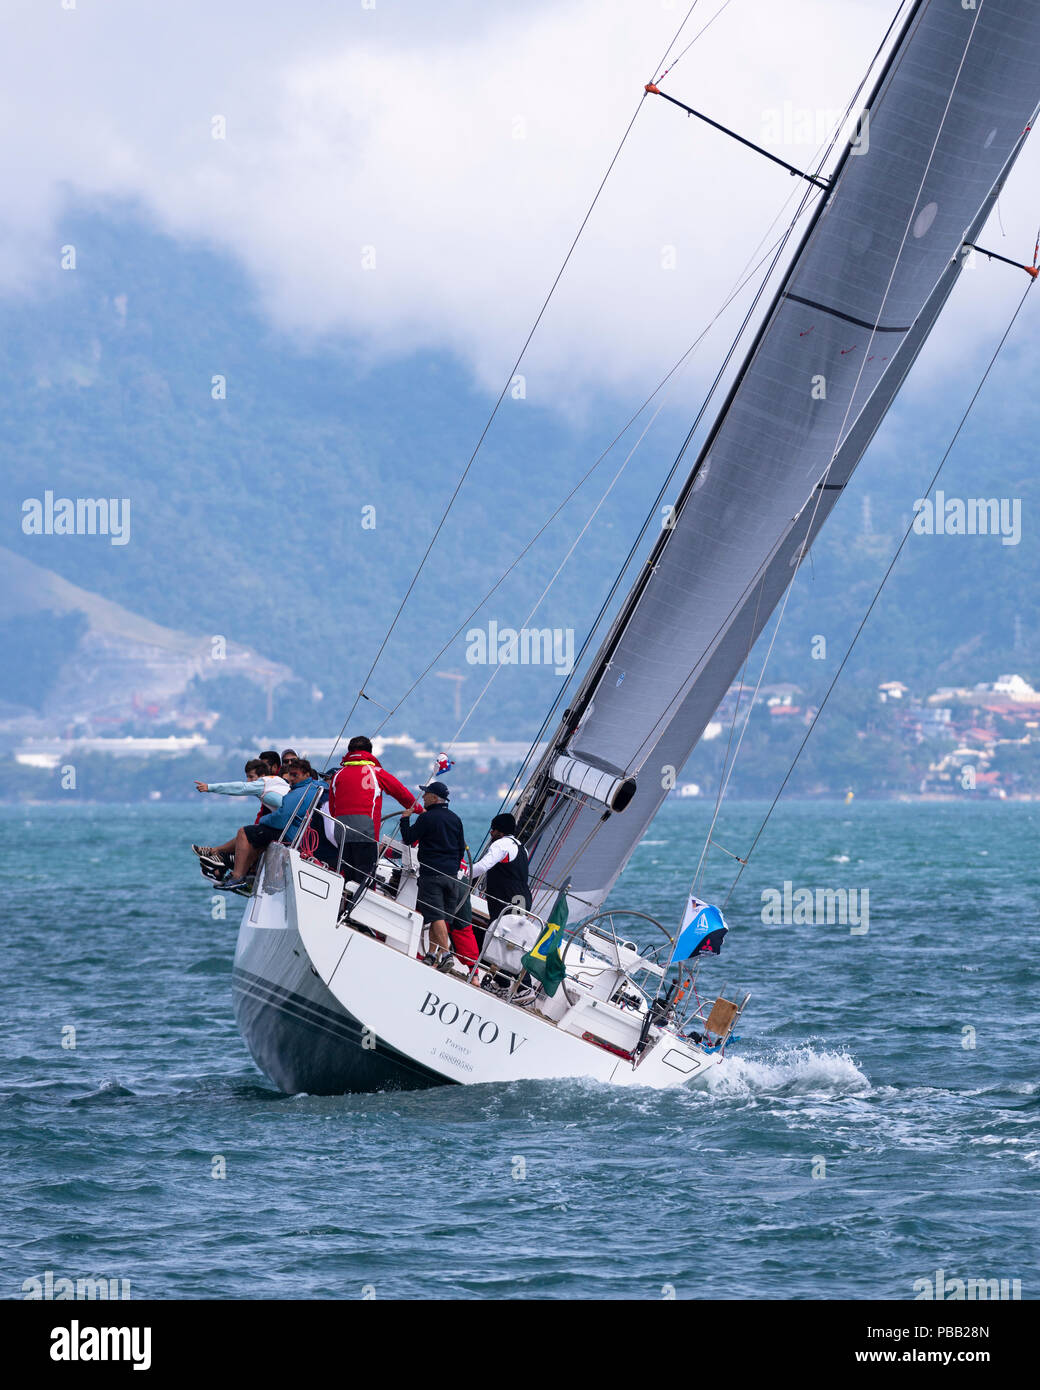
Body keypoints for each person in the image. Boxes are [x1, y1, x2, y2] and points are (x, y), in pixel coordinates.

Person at [217, 759, 323, 891]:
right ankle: (245, 873)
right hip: (305, 835)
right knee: (256, 838)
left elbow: (281, 818)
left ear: (306, 774)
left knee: (244, 833)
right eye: (290, 775)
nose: (291, 778)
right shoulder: (318, 786)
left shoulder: (296, 793)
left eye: (295, 775)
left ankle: (236, 876)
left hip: (292, 835)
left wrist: (264, 820)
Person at [328, 736, 420, 888]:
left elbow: (333, 809)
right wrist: (419, 810)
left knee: (347, 879)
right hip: (366, 833)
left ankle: (345, 908)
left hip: (342, 833)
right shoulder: (376, 772)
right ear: (370, 752)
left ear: (349, 752)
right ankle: (360, 909)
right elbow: (401, 792)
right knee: (365, 879)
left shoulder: (337, 774)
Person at [398, 781, 467, 969]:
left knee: (436, 917)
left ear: (435, 798)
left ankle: (446, 955)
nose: (423, 797)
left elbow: (409, 838)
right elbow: (461, 849)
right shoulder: (455, 819)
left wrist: (405, 819)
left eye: (426, 793)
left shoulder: (427, 818)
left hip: (432, 875)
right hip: (452, 877)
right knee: (440, 918)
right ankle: (430, 954)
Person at [192, 760, 290, 875]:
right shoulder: (276, 781)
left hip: (288, 829)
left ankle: (236, 875)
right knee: (251, 834)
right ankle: (216, 854)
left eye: (251, 777)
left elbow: (239, 788)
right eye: (247, 777)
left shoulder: (262, 784)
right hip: (288, 826)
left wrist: (209, 787)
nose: (248, 781)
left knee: (244, 833)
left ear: (262, 776)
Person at [470, 812, 531, 941]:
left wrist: (462, 873)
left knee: (499, 934)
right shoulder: (522, 849)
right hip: (522, 899)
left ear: (501, 832)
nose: (491, 833)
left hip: (507, 898)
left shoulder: (502, 844)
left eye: (493, 829)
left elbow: (482, 867)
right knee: (509, 938)